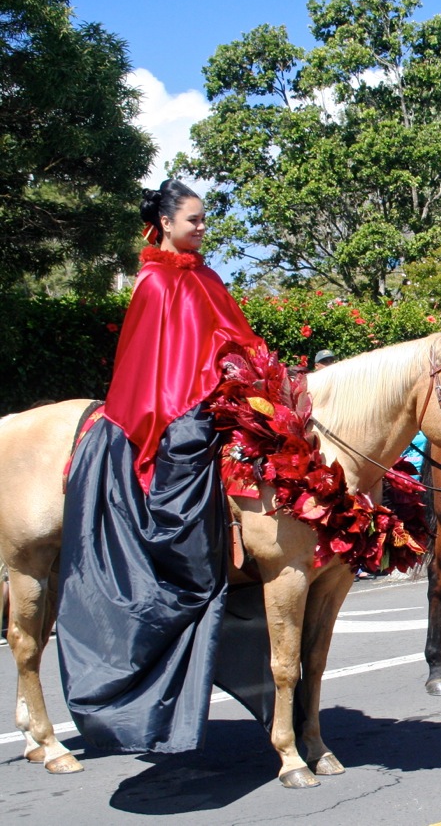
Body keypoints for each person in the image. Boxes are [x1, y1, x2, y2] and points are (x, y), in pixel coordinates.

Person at [58, 179, 264, 753]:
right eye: (193, 220)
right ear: (167, 223)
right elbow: (154, 371)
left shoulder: (207, 276)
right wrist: (202, 399)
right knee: (191, 452)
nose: (202, 228)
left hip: (216, 399)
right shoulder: (153, 282)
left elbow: (236, 340)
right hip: (178, 412)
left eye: (203, 219)